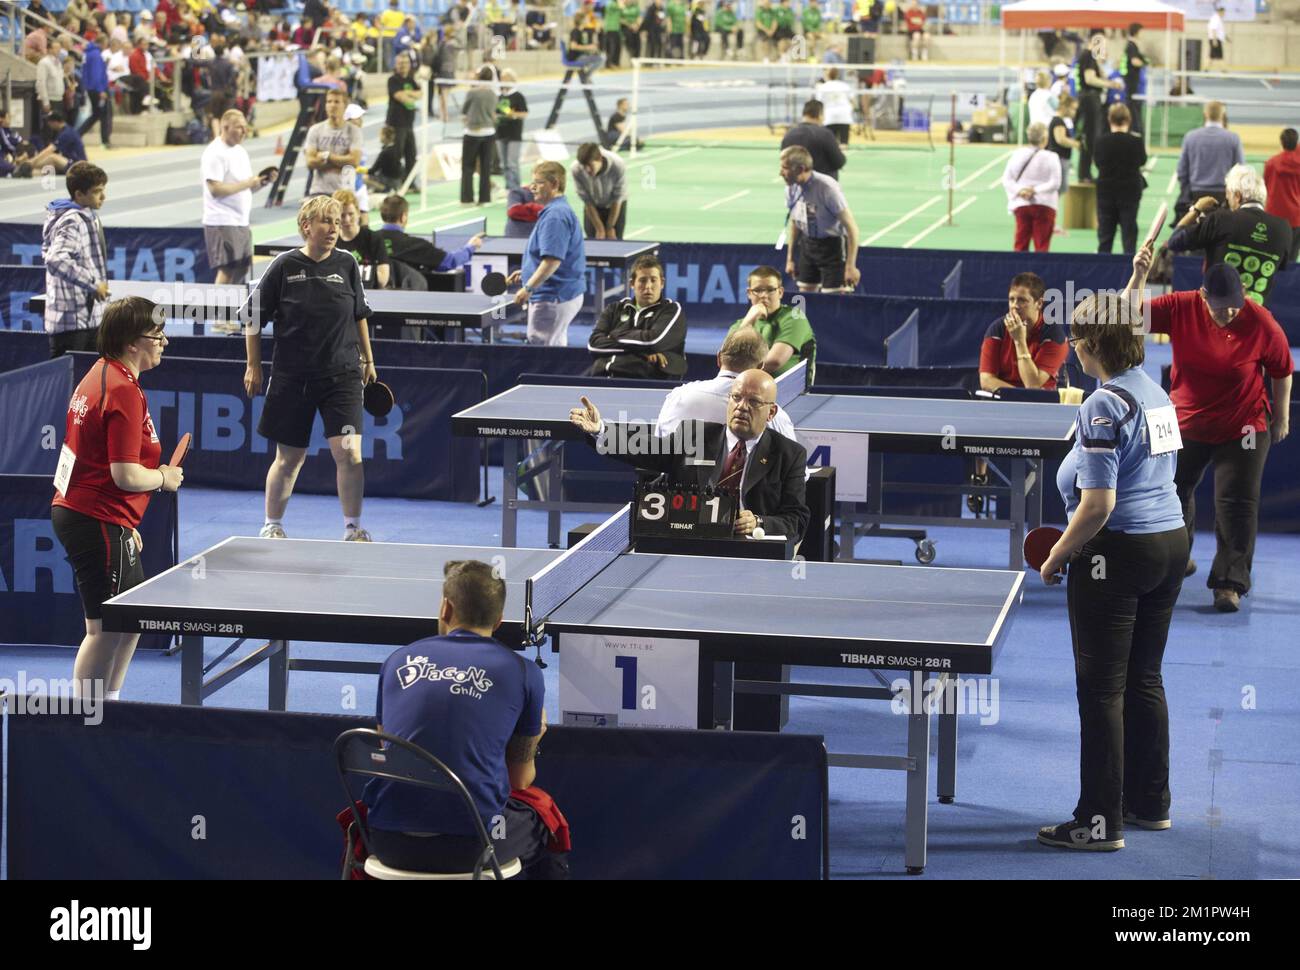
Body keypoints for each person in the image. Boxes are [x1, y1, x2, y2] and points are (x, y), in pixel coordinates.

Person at [1034, 290, 1189, 853]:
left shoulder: (1101, 406)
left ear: (1093, 343)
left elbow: (1096, 504)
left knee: (1100, 691)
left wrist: (1056, 556)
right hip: (1170, 545)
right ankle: (1150, 804)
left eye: (1073, 338)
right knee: (1143, 678)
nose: (1069, 347)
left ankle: (1098, 823)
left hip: (1116, 554)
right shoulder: (1155, 392)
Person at [364, 560, 569, 878]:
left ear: (445, 607)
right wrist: (535, 736)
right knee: (546, 824)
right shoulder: (523, 672)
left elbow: (385, 752)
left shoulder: (397, 661)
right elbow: (520, 780)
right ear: (500, 620)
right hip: (475, 846)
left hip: (386, 840)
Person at [1127, 249, 1293, 612]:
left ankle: (1229, 583)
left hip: (1244, 424)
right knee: (1170, 492)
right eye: (1221, 307)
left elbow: (1282, 370)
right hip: (1185, 420)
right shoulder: (1181, 306)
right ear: (1203, 297)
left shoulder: (1260, 321)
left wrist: (1281, 418)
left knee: (1236, 502)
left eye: (1235, 305)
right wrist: (1139, 276)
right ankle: (1177, 557)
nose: (1229, 313)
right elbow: (1127, 317)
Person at [51, 297, 184, 703]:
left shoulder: (101, 373)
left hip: (99, 516)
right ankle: (85, 719)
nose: (163, 341)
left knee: (130, 620)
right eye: (155, 334)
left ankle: (109, 707)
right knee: (105, 627)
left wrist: (124, 524)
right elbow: (124, 474)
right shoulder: (122, 390)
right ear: (131, 342)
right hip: (94, 517)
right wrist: (163, 477)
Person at [241, 195, 379, 542]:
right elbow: (251, 317)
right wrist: (253, 365)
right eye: (325, 222)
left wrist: (369, 359)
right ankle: (272, 524)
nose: (333, 229)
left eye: (335, 222)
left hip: (342, 375)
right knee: (289, 458)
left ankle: (353, 528)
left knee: (348, 452)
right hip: (293, 376)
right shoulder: (284, 266)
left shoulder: (346, 264)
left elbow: (359, 314)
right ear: (306, 227)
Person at [573, 368, 810, 541]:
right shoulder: (696, 435)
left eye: (754, 402)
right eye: (736, 397)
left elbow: (797, 519)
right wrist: (601, 430)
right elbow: (646, 449)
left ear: (771, 412)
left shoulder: (789, 454)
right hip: (691, 540)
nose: (741, 406)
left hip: (747, 550)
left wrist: (759, 521)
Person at [1167, 164, 1292, 307]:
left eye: (1228, 195)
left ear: (1237, 196)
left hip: (1217, 315)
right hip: (1255, 319)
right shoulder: (1284, 229)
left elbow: (1174, 241)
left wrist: (1196, 209)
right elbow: (1279, 266)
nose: (1227, 200)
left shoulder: (1220, 219)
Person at [657, 328, 797, 443]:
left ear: (719, 358)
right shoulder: (770, 414)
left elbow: (659, 449)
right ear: (760, 366)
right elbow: (798, 471)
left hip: (680, 476)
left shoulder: (677, 396)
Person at [509, 161, 587, 345]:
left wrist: (528, 287)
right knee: (555, 346)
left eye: (539, 182)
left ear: (554, 184)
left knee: (541, 353)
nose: (531, 187)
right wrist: (528, 272)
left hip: (552, 296)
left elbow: (552, 260)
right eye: (532, 182)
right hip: (560, 293)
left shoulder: (555, 216)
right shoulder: (556, 210)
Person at [43, 162, 110, 358]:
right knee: (70, 387)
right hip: (71, 323)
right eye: (97, 191)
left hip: (88, 319)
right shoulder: (72, 220)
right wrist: (93, 284)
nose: (103, 196)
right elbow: (56, 259)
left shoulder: (88, 216)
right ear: (79, 195)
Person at [202, 109, 272, 286]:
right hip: (222, 220)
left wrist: (262, 182)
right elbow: (215, 189)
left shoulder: (241, 152)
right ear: (225, 127)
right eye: (239, 127)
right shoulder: (215, 152)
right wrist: (249, 183)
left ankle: (232, 310)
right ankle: (217, 312)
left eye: (245, 127)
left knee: (242, 268)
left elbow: (245, 188)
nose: (244, 131)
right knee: (227, 269)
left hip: (241, 220)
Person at [586, 254, 686, 377]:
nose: (648, 287)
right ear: (632, 283)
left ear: (662, 283)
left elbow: (653, 342)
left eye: (653, 280)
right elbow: (594, 345)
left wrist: (615, 334)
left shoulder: (671, 310)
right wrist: (643, 353)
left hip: (650, 382)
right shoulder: (614, 309)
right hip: (604, 378)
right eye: (643, 280)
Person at [780, 145, 861, 293]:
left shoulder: (827, 188)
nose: (780, 173)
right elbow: (795, 223)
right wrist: (790, 259)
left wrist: (850, 266)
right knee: (805, 298)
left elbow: (852, 229)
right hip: (807, 245)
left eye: (785, 168)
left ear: (800, 169)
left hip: (832, 248)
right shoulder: (790, 188)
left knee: (834, 299)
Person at [373, 193, 485, 289]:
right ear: (403, 217)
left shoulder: (369, 240)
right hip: (408, 302)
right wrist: (471, 247)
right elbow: (450, 261)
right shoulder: (415, 245)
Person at [727, 265, 816, 376]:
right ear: (749, 293)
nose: (764, 295)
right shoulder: (739, 325)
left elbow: (774, 362)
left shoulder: (795, 317)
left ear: (780, 292)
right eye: (758, 290)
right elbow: (726, 361)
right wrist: (748, 321)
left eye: (770, 290)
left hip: (785, 390)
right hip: (743, 388)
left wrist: (736, 368)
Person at [1174, 101, 1244, 221]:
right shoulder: (1233, 138)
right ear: (1223, 115)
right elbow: (1240, 170)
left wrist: (1187, 189)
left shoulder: (1190, 137)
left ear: (1205, 114)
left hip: (1196, 193)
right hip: (1224, 195)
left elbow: (1181, 170)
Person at [1094, 103, 1147, 254]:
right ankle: (1129, 272)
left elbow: (1097, 162)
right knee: (1129, 235)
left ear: (1109, 119)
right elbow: (1142, 160)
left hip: (1106, 192)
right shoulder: (1136, 141)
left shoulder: (1101, 141)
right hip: (1129, 192)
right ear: (1128, 120)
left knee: (1105, 237)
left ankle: (1103, 272)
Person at [1002, 121, 1061, 252]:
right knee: (1042, 247)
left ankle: (1019, 272)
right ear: (1045, 139)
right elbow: (1055, 182)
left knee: (1020, 245)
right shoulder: (1052, 157)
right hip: (1045, 205)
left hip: (1022, 204)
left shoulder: (1017, 154)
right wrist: (1035, 190)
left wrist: (1022, 191)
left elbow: (1007, 179)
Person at [1074, 31, 1125, 183]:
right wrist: (1111, 84)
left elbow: (1099, 75)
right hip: (1089, 98)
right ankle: (1085, 174)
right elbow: (1089, 79)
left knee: (1092, 136)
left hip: (1091, 98)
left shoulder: (1091, 57)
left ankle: (1086, 173)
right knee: (1089, 137)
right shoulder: (1088, 55)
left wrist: (1101, 63)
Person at [303, 89, 364, 198]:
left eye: (336, 102)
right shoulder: (315, 130)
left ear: (344, 105)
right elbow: (310, 162)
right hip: (319, 191)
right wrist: (342, 161)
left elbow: (354, 161)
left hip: (345, 192)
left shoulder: (354, 131)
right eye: (329, 102)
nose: (332, 105)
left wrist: (326, 156)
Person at [572, 142, 628, 239]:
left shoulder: (618, 165)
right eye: (584, 166)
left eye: (590, 165)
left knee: (615, 241)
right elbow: (587, 201)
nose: (587, 170)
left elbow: (617, 198)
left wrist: (610, 227)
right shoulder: (576, 169)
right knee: (593, 240)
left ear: (600, 159)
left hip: (615, 205)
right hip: (593, 206)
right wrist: (599, 228)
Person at [780, 100, 846, 180]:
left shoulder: (789, 134)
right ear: (819, 115)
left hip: (796, 187)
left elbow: (784, 161)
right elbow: (839, 162)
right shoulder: (825, 134)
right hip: (823, 187)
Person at [461, 66, 498, 205]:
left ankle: (467, 198)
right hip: (488, 132)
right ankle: (484, 198)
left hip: (472, 132)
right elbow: (493, 112)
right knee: (485, 167)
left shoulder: (472, 92)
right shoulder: (493, 93)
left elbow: (464, 110)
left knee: (468, 166)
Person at [1264, 128, 1300, 264]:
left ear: (1281, 142)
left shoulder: (1272, 163)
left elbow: (1266, 186)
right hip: (1296, 217)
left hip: (1274, 216)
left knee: (1272, 256)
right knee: (1292, 257)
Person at [386, 52, 420, 190]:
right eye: (400, 63)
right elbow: (400, 97)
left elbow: (421, 93)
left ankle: (410, 182)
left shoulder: (411, 80)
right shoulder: (393, 80)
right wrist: (411, 95)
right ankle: (394, 181)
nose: (403, 66)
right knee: (396, 154)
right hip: (396, 123)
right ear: (396, 65)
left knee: (411, 154)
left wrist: (408, 94)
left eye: (406, 63)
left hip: (409, 123)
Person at [493, 68, 528, 194]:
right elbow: (495, 113)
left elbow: (524, 113)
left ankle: (515, 187)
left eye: (505, 78)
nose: (502, 81)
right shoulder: (500, 96)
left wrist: (513, 114)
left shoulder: (518, 96)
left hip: (514, 134)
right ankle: (508, 186)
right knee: (503, 164)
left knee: (512, 163)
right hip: (500, 133)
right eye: (501, 78)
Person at [78, 30, 113, 149]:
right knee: (104, 115)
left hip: (91, 88)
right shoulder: (96, 55)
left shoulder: (89, 53)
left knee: (96, 115)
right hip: (98, 89)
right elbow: (97, 74)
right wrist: (101, 90)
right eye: (106, 44)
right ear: (102, 43)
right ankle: (105, 141)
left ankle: (78, 134)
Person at [814, 67, 854, 146]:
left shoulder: (823, 87)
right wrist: (851, 109)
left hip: (829, 117)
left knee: (830, 144)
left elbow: (819, 103)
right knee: (843, 143)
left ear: (827, 75)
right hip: (844, 117)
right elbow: (852, 101)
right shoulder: (844, 85)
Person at [1120, 22, 1146, 135]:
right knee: (1133, 111)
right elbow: (1134, 61)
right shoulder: (1131, 46)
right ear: (1136, 32)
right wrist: (1144, 63)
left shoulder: (1132, 46)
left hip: (1133, 85)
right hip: (1131, 85)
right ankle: (1133, 132)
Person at [569, 4, 606, 69]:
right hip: (576, 57)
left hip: (580, 55)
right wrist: (588, 47)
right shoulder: (576, 31)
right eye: (586, 19)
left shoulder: (581, 31)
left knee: (598, 56)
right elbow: (573, 46)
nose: (588, 20)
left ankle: (585, 76)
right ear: (582, 21)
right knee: (601, 59)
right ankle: (586, 76)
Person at [36, 39, 65, 118]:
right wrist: (45, 102)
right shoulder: (44, 63)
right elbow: (41, 83)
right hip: (49, 99)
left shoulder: (58, 62)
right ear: (49, 49)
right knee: (48, 127)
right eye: (56, 48)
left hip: (58, 98)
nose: (59, 50)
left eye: (60, 48)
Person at [602, 0, 623, 67]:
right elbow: (622, 7)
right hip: (610, 28)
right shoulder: (611, 3)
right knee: (611, 48)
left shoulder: (615, 4)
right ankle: (609, 64)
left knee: (617, 47)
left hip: (616, 29)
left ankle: (615, 63)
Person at [1207, 4, 1226, 73]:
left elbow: (1220, 31)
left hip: (1217, 39)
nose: (1224, 14)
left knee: (1212, 56)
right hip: (1215, 39)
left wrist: (1227, 38)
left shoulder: (1219, 19)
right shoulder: (1215, 18)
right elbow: (1213, 29)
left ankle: (1206, 70)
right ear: (1220, 12)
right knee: (1220, 56)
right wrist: (1215, 40)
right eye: (1223, 12)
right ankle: (1224, 70)